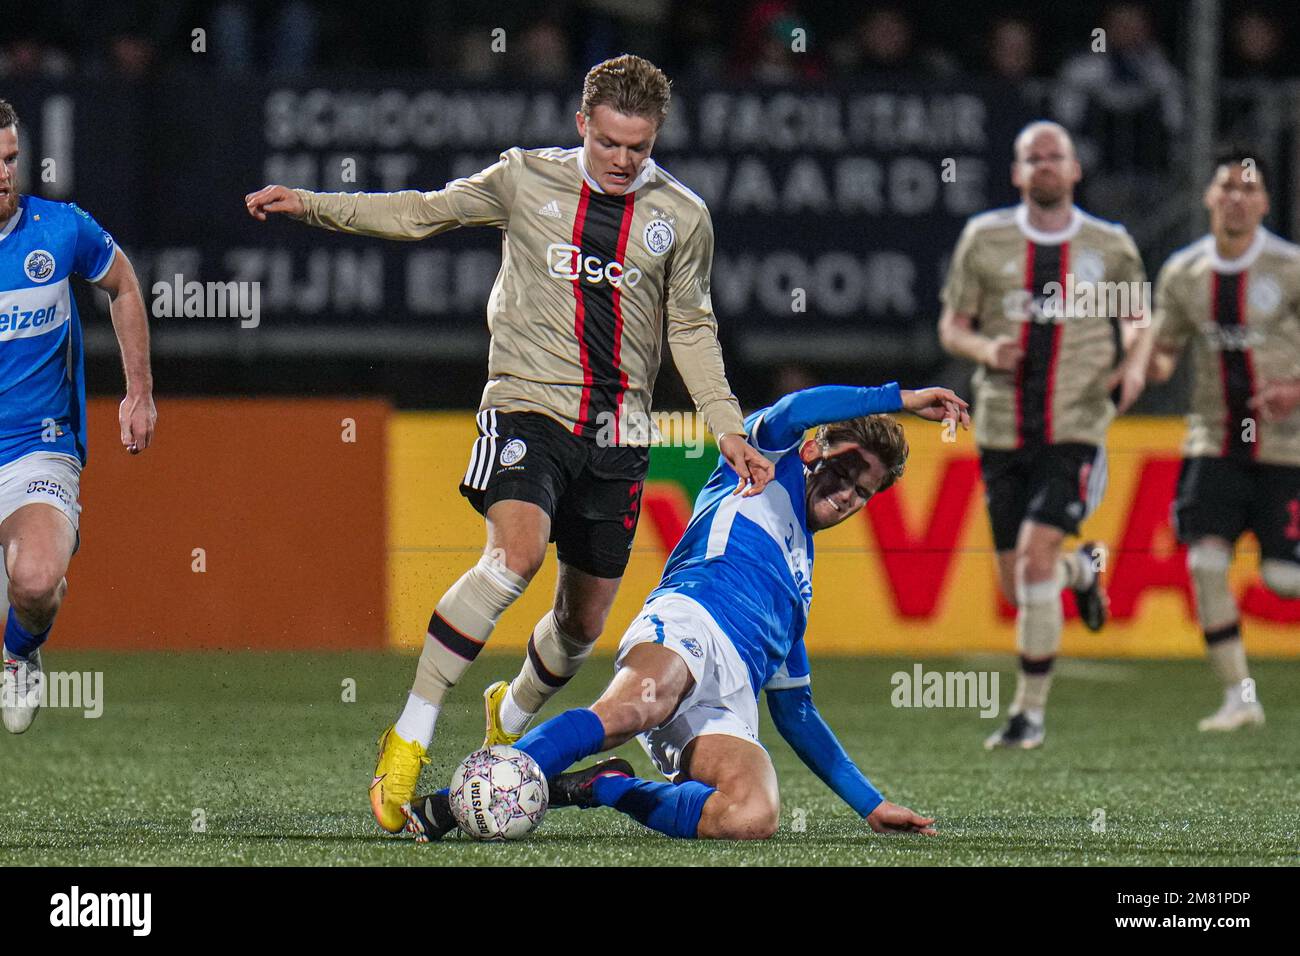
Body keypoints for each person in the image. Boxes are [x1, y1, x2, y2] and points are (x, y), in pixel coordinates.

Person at [244, 54, 773, 832]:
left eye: (640, 146)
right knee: (513, 557)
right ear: (581, 124)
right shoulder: (525, 178)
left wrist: (725, 424)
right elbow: (423, 212)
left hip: (620, 431)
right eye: (610, 144)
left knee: (583, 625)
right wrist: (316, 207)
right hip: (526, 405)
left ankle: (512, 712)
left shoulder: (682, 216)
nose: (624, 162)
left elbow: (690, 326)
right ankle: (410, 735)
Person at [403, 382, 968, 842]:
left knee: (751, 815)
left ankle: (601, 789)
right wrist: (900, 399)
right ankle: (460, 801)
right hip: (687, 625)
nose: (845, 495)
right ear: (813, 450)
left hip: (728, 696)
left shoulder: (800, 586)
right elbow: (798, 408)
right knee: (631, 711)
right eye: (843, 473)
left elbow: (795, 713)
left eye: (861, 492)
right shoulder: (763, 466)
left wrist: (871, 805)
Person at [938, 120, 1153, 750]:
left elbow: (1138, 319)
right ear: (1016, 173)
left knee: (1032, 555)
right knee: (1016, 585)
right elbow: (953, 325)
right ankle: (1082, 573)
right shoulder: (986, 238)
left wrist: (1132, 368)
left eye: (1054, 156)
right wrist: (984, 347)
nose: (1044, 166)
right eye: (1032, 158)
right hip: (1004, 426)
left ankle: (1027, 714)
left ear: (1076, 168)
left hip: (1077, 423)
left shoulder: (1110, 245)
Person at [0, 98, 156, 733]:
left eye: (9, 159)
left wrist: (138, 391)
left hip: (38, 448)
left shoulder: (59, 229)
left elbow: (122, 283)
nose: (3, 174)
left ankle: (17, 654)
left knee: (35, 582)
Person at [1147, 148, 1300, 731]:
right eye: (1226, 186)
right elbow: (1165, 354)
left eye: (1248, 188)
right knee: (1205, 563)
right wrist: (1135, 359)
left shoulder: (1289, 267)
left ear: (1263, 202)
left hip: (1286, 444)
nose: (1235, 196)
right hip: (1213, 440)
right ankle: (1241, 697)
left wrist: (1294, 390)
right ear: (1210, 196)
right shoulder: (1185, 273)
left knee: (1282, 579)